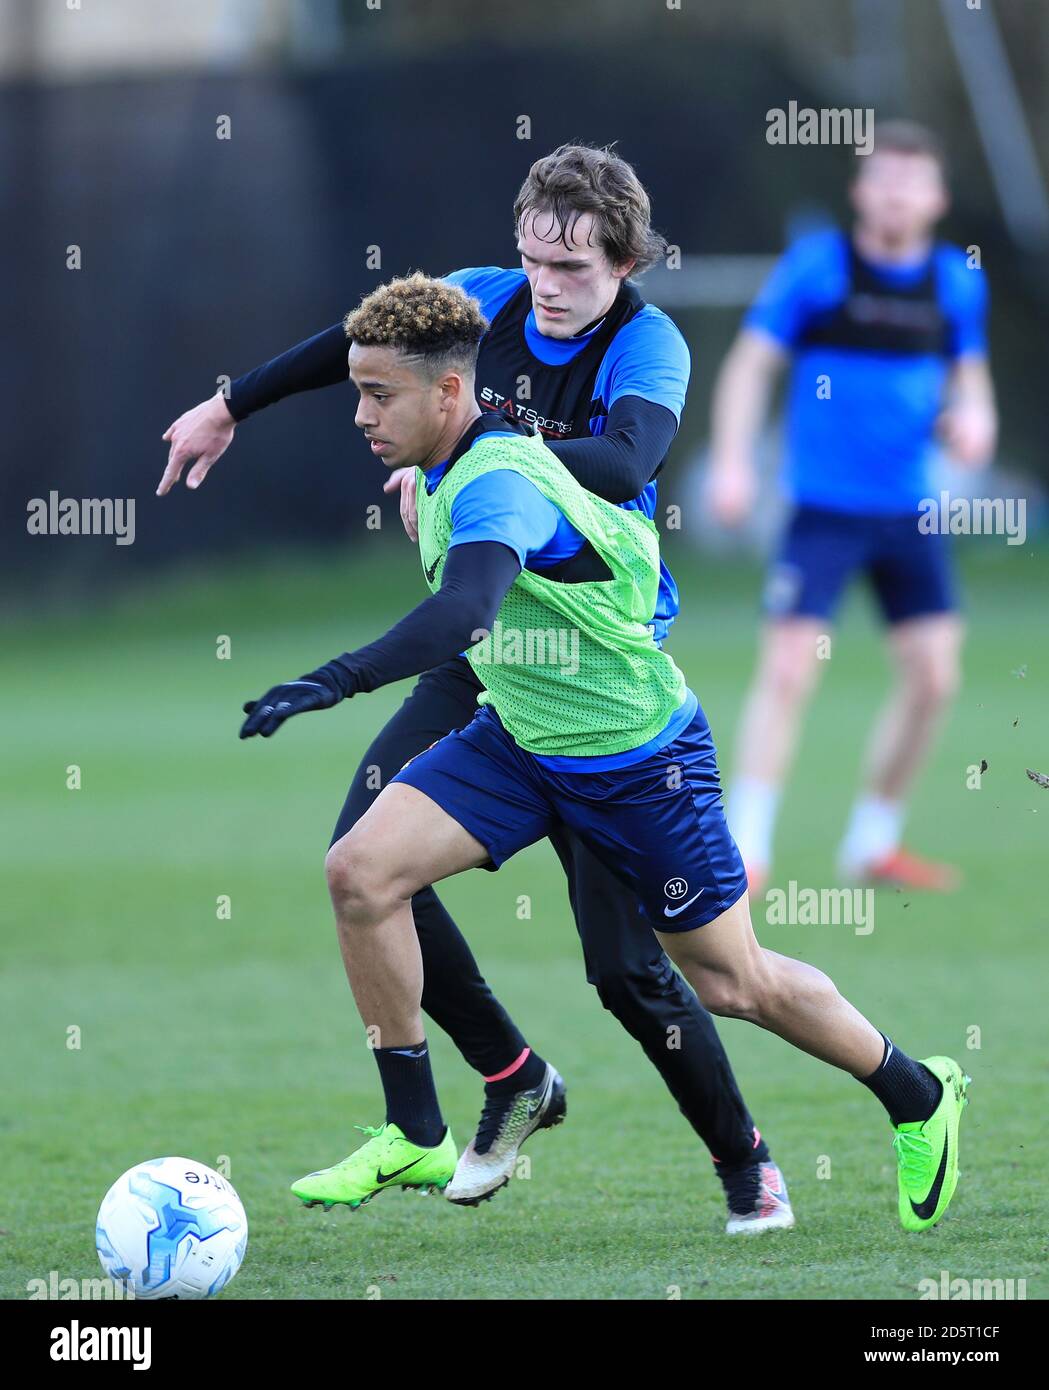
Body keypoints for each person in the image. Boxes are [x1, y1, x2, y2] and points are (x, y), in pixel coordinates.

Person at [241, 273, 969, 1234]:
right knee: (360, 873)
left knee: (729, 981)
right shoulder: (448, 464)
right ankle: (414, 1126)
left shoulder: (501, 481)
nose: (361, 414)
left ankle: (918, 1094)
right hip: (519, 736)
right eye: (358, 392)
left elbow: (466, 611)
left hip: (636, 760)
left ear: (449, 394)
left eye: (379, 395)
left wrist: (331, 679)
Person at [161, 145, 788, 1231]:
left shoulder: (648, 343)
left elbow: (628, 461)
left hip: (587, 666)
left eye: (573, 266)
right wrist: (230, 405)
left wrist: (476, 455)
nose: (545, 283)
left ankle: (746, 1165)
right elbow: (359, 348)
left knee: (628, 974)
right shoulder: (488, 301)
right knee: (364, 861)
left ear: (625, 260)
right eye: (531, 257)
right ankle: (494, 1084)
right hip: (480, 634)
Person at [709, 121, 996, 894]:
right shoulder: (819, 268)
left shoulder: (955, 283)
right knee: (788, 670)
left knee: (934, 678)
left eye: (913, 181)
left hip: (910, 514)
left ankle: (872, 844)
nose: (897, 194)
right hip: (823, 511)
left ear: (935, 199)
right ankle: (747, 847)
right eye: (884, 179)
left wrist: (974, 422)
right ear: (860, 192)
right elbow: (748, 366)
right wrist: (733, 463)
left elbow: (970, 383)